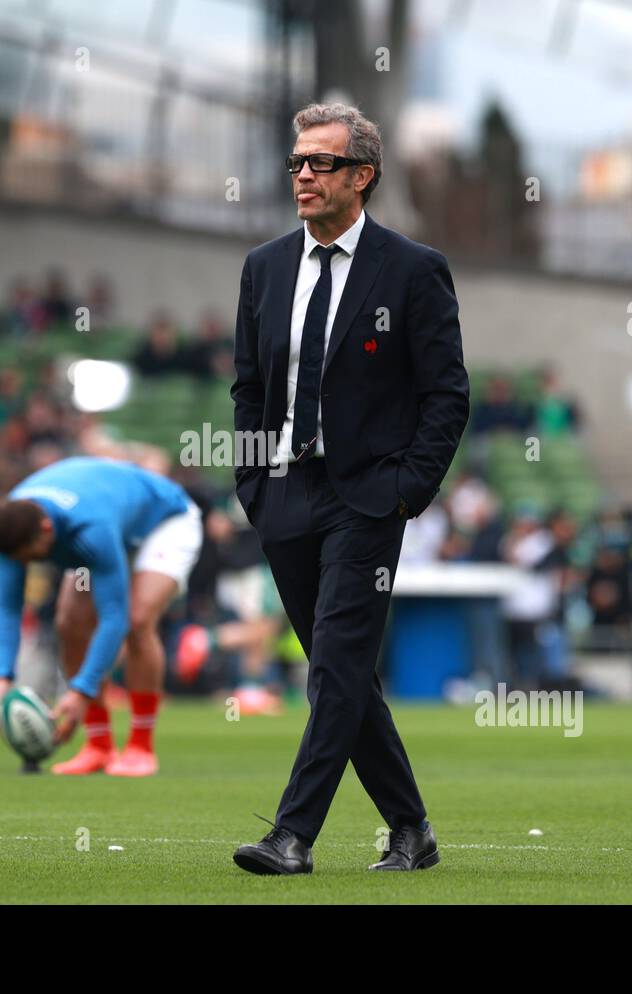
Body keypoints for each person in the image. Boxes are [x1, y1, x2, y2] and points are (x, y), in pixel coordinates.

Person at [229, 102, 470, 874]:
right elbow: (247, 386)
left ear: (362, 176)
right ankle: (412, 828)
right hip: (284, 496)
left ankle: (292, 835)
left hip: (369, 498)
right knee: (347, 674)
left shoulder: (413, 269)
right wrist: (252, 484)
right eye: (296, 162)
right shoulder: (263, 267)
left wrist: (406, 490)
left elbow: (447, 395)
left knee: (333, 666)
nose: (302, 174)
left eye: (320, 163)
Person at [0, 456, 203, 777]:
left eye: (32, 557)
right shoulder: (13, 525)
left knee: (137, 618)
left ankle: (140, 746)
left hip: (163, 522)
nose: (28, 564)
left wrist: (81, 690)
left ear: (47, 530)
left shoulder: (90, 529)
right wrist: (2, 677)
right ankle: (99, 746)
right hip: (113, 522)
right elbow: (6, 606)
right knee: (69, 624)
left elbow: (113, 618)